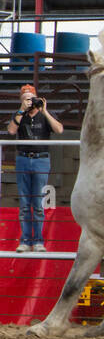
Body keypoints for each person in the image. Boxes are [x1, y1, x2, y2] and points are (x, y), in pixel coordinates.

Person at [8, 84, 65, 251]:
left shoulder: (44, 114)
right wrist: (21, 109)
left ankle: (38, 240)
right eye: (25, 98)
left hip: (41, 159)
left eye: (31, 98)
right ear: (21, 100)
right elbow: (11, 131)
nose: (29, 102)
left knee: (38, 203)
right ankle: (25, 240)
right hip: (23, 159)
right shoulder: (20, 114)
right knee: (25, 202)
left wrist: (44, 110)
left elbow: (59, 129)